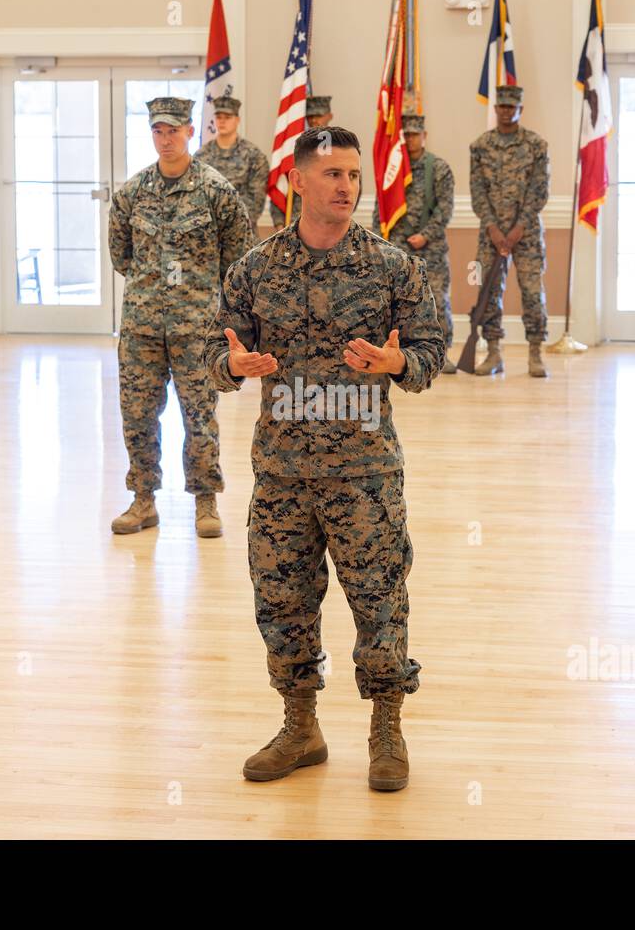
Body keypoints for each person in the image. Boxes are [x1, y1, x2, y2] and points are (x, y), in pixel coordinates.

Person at [203, 125, 445, 792]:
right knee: (283, 601)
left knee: (380, 600)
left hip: (365, 472)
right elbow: (212, 354)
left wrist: (399, 361)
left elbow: (430, 354)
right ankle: (301, 726)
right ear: (298, 180)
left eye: (353, 175)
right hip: (282, 473)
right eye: (333, 174)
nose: (346, 187)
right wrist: (233, 363)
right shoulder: (256, 267)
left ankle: (387, 726)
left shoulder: (390, 265)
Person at [107, 97, 253, 536]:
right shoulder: (131, 194)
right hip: (142, 327)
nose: (165, 138)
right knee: (137, 413)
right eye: (158, 130)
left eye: (173, 130)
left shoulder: (216, 191)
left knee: (199, 414)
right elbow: (121, 256)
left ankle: (205, 502)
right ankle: (143, 500)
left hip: (197, 329)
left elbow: (239, 256)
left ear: (191, 132)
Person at [468, 85, 550, 377]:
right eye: (501, 106)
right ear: (496, 109)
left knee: (532, 292)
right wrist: (492, 227)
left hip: (525, 232)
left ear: (520, 109)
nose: (505, 111)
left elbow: (539, 191)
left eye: (510, 106)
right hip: (489, 233)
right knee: (488, 292)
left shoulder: (536, 146)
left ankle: (535, 353)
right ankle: (493, 353)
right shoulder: (480, 146)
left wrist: (519, 227)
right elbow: (477, 191)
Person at [372, 112, 456, 373]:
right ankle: (393, 355)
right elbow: (381, 209)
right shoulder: (393, 169)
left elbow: (445, 208)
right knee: (392, 303)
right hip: (396, 247)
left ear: (424, 136)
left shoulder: (439, 168)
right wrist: (378, 243)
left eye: (415, 134)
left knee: (438, 301)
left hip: (430, 247)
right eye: (406, 134)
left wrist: (426, 235)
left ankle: (443, 354)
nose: (410, 139)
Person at [196, 96, 269, 228]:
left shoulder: (253, 155)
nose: (222, 122)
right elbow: (197, 196)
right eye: (219, 117)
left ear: (237, 120)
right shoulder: (201, 156)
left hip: (243, 231)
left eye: (227, 117)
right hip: (209, 233)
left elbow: (256, 201)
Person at [270, 95, 332, 229]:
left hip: (329, 225)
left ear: (329, 116)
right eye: (310, 116)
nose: (314, 120)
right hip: (295, 226)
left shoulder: (340, 148)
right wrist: (279, 223)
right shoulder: (295, 149)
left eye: (319, 115)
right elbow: (281, 182)